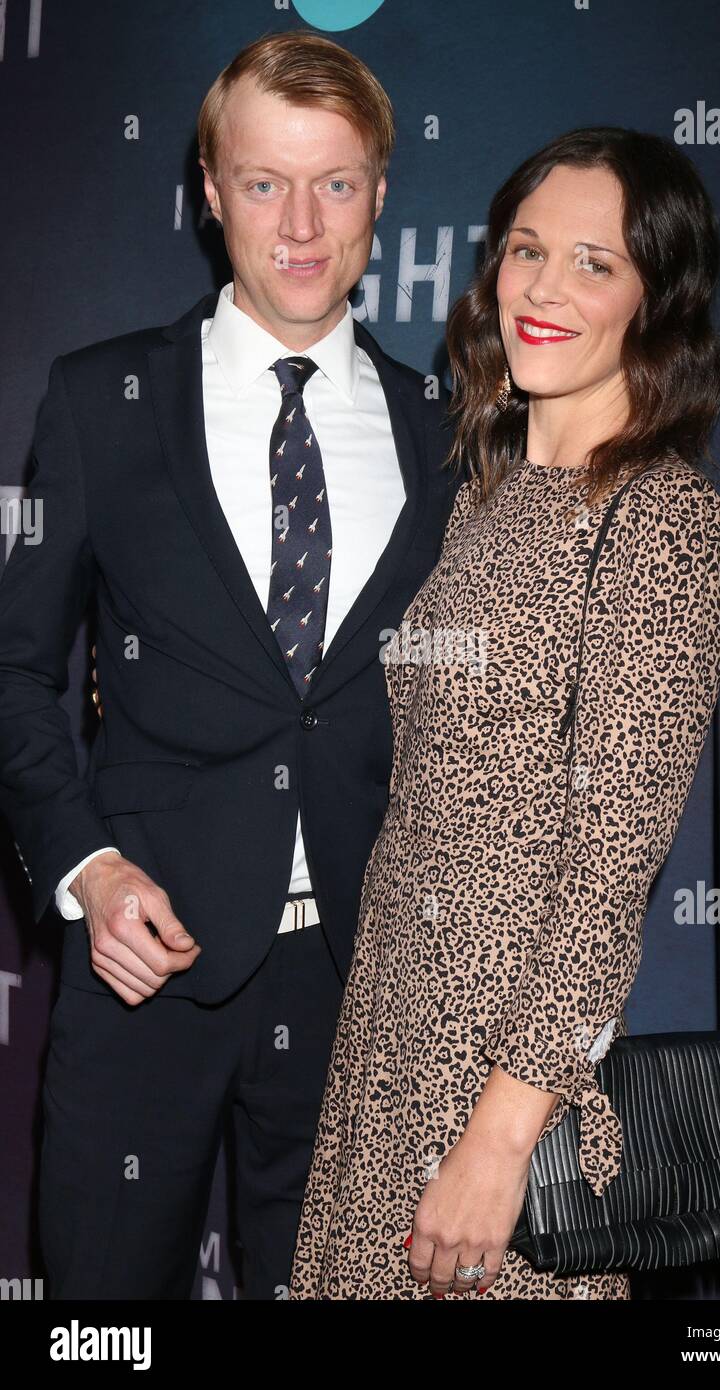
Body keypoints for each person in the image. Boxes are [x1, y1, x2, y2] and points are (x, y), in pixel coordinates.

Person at [0, 31, 462, 1300]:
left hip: (363, 1001)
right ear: (209, 191)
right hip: (141, 969)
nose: (301, 225)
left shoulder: (448, 433)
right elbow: (15, 671)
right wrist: (87, 872)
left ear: (381, 189)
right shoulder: (102, 401)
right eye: (264, 183)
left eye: (335, 183)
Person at [289, 126, 720, 1300]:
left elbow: (609, 872)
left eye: (594, 262)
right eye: (526, 250)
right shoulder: (481, 500)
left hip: (500, 1077)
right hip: (386, 1030)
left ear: (658, 298)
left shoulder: (658, 525)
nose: (544, 287)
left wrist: (498, 1143)